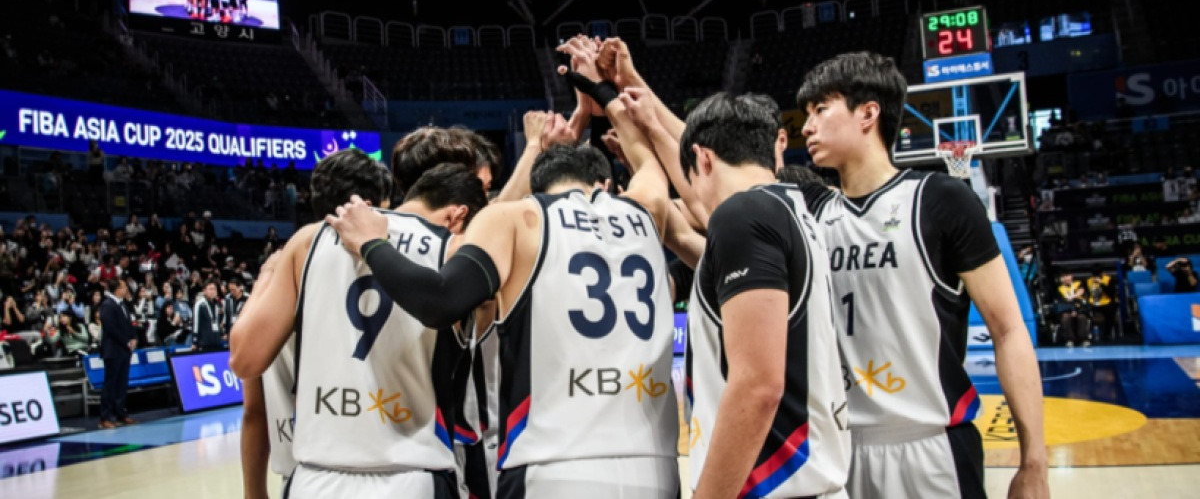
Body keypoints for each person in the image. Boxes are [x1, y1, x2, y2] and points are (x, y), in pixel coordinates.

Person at [326, 42, 681, 498]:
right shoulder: (646, 209)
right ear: (604, 180)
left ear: (535, 181)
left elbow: (440, 294)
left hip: (548, 465)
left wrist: (372, 242)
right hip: (654, 465)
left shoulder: (513, 221)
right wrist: (600, 92)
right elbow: (648, 159)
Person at [796, 52, 1048, 498]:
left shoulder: (940, 200)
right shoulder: (811, 211)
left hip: (931, 447)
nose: (806, 126)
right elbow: (723, 160)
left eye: (820, 109)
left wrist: (1034, 464)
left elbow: (1008, 331)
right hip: (838, 449)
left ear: (868, 113)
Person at [231, 152, 487, 497]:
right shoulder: (453, 248)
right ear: (374, 202)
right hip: (414, 473)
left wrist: (265, 279)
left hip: (316, 476)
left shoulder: (306, 243)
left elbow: (245, 359)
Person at [677, 92, 850, 498]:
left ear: (703, 159)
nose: (698, 199)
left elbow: (758, 386)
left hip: (776, 485)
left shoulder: (742, 214)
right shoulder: (794, 211)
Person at [100, 278, 137, 428]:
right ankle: (105, 418)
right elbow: (111, 328)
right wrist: (126, 341)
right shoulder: (108, 305)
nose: (126, 289)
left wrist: (133, 337)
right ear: (117, 289)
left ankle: (121, 414)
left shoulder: (123, 305)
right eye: (124, 287)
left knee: (122, 384)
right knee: (111, 385)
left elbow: (129, 324)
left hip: (124, 350)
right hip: (113, 350)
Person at [1056, 273, 1089, 347]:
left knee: (1081, 317)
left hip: (1080, 308)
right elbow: (1061, 302)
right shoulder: (1059, 288)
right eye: (1063, 276)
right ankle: (1070, 340)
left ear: (1071, 276)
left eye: (1067, 276)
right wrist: (1071, 310)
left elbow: (1081, 292)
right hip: (1067, 309)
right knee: (1065, 318)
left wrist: (1074, 298)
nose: (1066, 278)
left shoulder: (1078, 284)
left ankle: (1084, 339)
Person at [1086, 267, 1117, 341]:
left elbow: (1111, 293)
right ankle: (1088, 334)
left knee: (1110, 312)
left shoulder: (1108, 279)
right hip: (1093, 303)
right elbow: (1087, 294)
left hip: (1106, 302)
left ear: (1102, 273)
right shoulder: (1088, 281)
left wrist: (1102, 283)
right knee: (1085, 311)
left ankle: (1107, 333)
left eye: (1098, 275)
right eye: (1094, 276)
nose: (1095, 277)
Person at [192, 282, 224, 351]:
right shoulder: (200, 304)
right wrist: (194, 341)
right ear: (204, 291)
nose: (213, 291)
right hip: (204, 343)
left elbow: (217, 322)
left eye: (214, 289)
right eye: (210, 289)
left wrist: (221, 334)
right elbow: (195, 323)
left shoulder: (218, 305)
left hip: (216, 342)